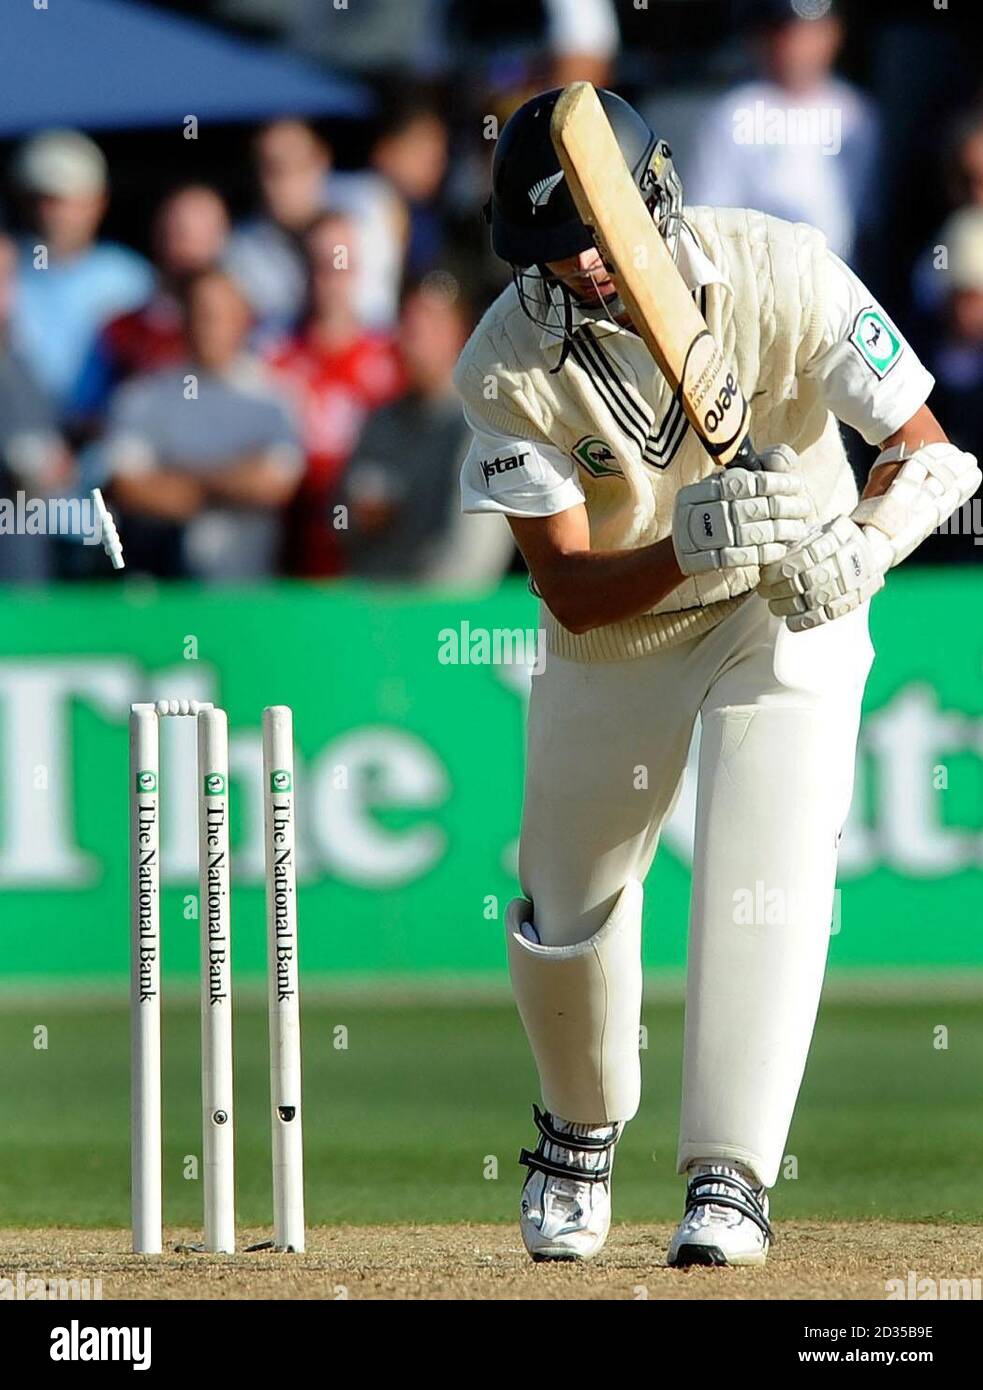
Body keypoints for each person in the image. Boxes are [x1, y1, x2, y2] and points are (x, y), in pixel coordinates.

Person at [454, 87, 980, 1267]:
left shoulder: (783, 269)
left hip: (788, 603)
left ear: (655, 200)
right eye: (552, 250)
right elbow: (566, 588)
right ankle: (576, 1133)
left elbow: (931, 455)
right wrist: (688, 542)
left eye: (595, 237)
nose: (584, 268)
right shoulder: (501, 365)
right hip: (622, 629)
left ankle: (728, 1177)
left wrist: (862, 546)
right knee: (565, 902)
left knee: (767, 869)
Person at [104, 270, 302, 580]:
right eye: (202, 314)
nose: (211, 328)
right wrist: (232, 481)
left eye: (222, 316)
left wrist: (179, 479)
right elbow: (128, 486)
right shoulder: (144, 396)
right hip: (162, 589)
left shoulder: (273, 398)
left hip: (246, 591)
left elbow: (274, 485)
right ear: (184, 318)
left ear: (243, 321)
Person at [338, 274, 513, 584]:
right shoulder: (379, 422)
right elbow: (337, 519)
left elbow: (473, 562)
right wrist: (355, 517)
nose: (413, 339)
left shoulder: (484, 426)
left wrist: (420, 615)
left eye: (429, 327)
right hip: (368, 608)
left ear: (460, 335)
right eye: (407, 325)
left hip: (438, 618)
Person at [686, 0, 878, 266]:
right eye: (785, 32)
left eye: (811, 31)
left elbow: (868, 218)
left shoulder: (858, 114)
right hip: (758, 275)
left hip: (840, 276)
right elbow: (706, 218)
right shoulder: (733, 113)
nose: (797, 46)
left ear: (835, 33)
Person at [267, 212, 404, 577]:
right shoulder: (274, 365)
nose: (330, 281)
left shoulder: (395, 360)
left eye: (340, 265)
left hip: (381, 555)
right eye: (320, 265)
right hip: (292, 554)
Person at [9, 129, 153, 427]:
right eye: (39, 199)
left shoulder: (130, 277)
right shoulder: (6, 271)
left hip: (111, 440)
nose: (50, 212)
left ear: (97, 202)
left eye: (63, 199)